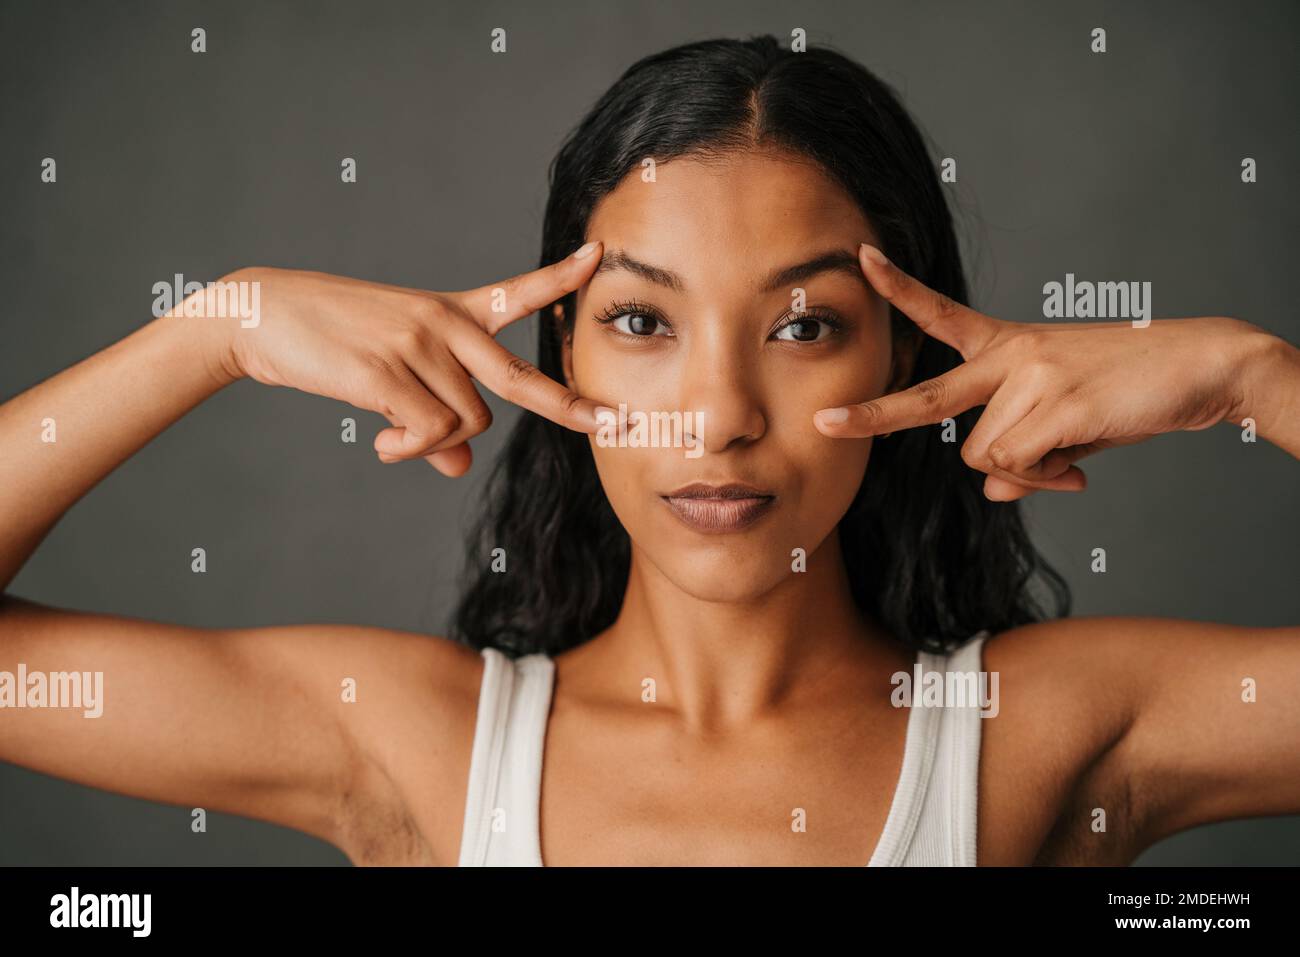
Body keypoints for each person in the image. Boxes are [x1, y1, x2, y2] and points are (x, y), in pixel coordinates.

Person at [1, 36, 1297, 866]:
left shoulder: (1047, 731)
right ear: (565, 353)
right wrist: (220, 326)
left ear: (903, 356)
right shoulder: (417, 745)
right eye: (640, 320)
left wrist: (1250, 375)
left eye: (803, 325)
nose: (717, 413)